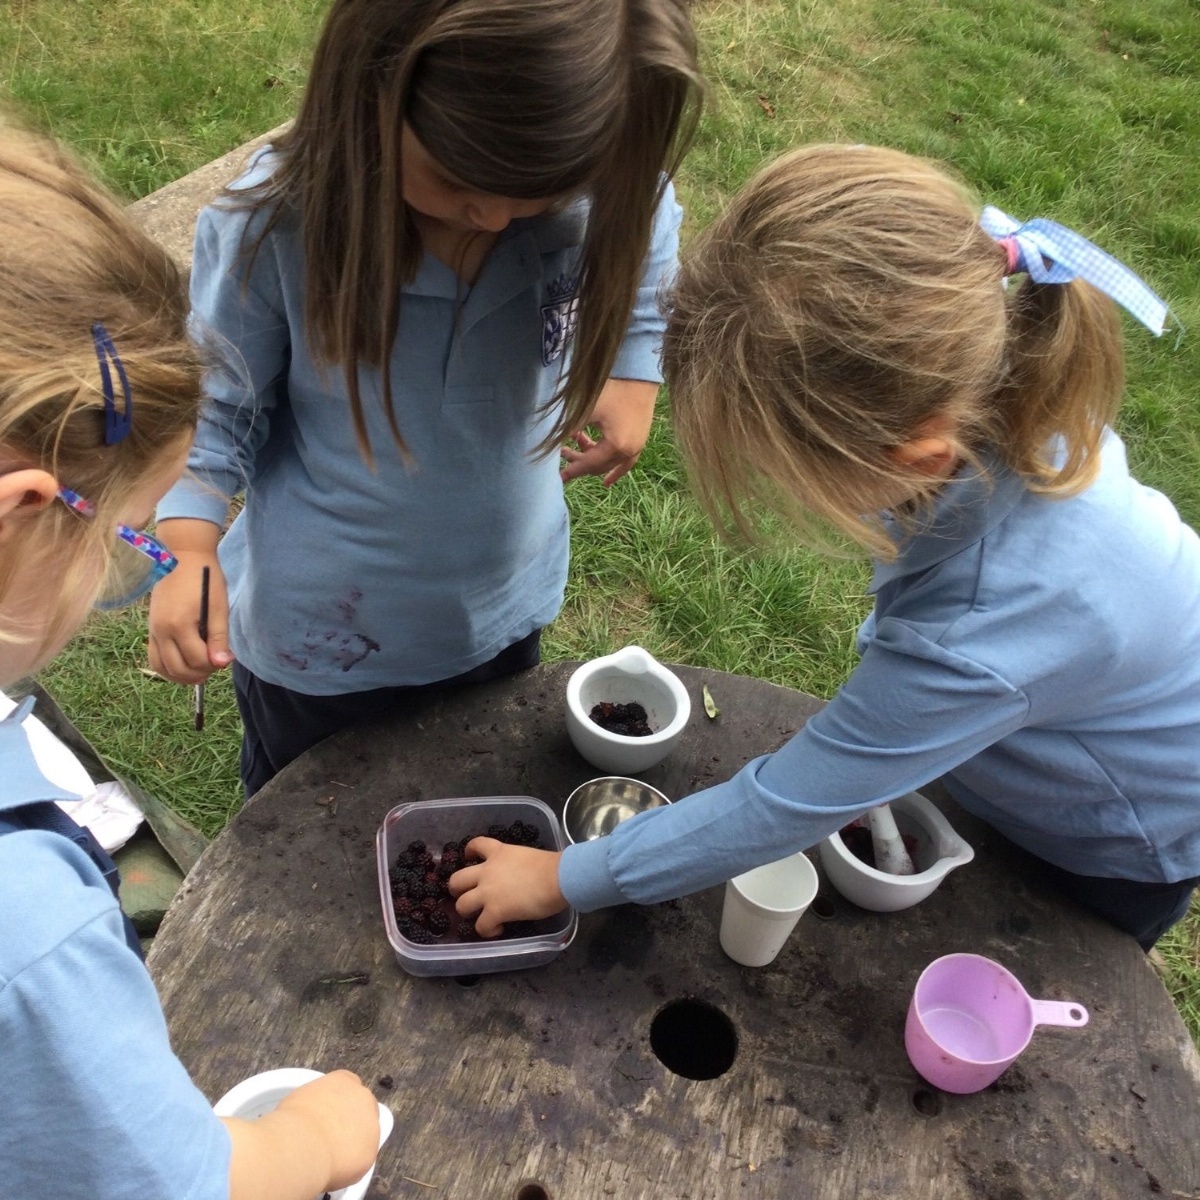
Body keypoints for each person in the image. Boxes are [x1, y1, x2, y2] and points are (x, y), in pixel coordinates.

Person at [449, 144, 1200, 953]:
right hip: (1030, 739)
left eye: (783, 475)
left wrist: (563, 876)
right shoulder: (1007, 399)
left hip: (1109, 840)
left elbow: (779, 810)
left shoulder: (985, 631)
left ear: (913, 459)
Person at [147, 0, 703, 797]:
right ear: (370, 93)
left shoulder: (588, 181)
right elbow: (218, 402)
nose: (494, 216)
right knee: (305, 836)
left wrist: (634, 364)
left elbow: (649, 213)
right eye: (456, 181)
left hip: (501, 613)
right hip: (321, 647)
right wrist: (190, 547)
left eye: (535, 194)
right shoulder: (276, 227)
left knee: (463, 808)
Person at [0, 119, 380, 1199]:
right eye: (126, 538)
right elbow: (176, 1185)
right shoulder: (32, 935)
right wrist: (319, 1136)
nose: (127, 568)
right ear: (29, 511)